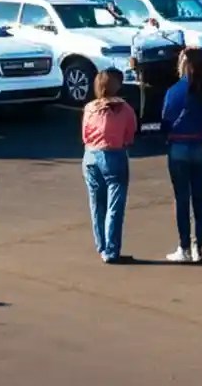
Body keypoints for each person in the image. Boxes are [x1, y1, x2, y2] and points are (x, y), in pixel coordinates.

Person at [161, 47, 202, 263]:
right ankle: (197, 246)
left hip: (178, 146)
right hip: (198, 145)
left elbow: (165, 119)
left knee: (182, 199)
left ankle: (183, 246)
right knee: (198, 199)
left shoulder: (175, 90)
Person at [80, 68, 137, 264]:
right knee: (115, 204)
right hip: (113, 154)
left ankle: (102, 246)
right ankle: (112, 250)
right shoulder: (124, 108)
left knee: (97, 204)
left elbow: (85, 135)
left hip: (90, 155)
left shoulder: (89, 107)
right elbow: (130, 134)